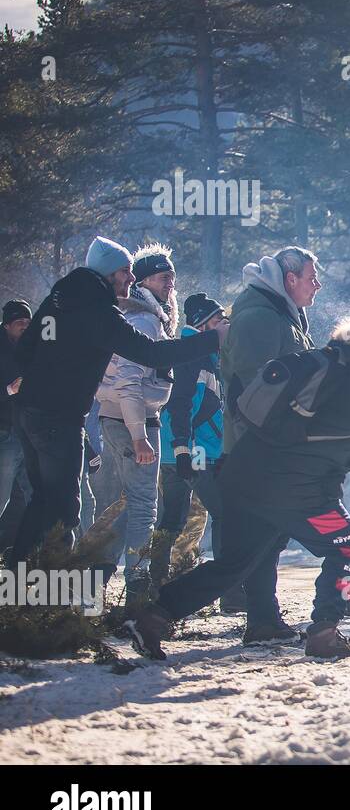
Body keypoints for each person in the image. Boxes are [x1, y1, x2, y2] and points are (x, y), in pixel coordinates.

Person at [125, 309, 350, 660]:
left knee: (234, 563)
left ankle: (153, 617)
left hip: (246, 478)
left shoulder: (319, 364)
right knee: (348, 547)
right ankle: (325, 631)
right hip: (302, 496)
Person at [4, 237, 223, 566]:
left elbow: (24, 351)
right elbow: (150, 353)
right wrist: (212, 339)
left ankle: (21, 585)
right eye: (125, 272)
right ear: (108, 273)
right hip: (58, 419)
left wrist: (40, 375)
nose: (130, 279)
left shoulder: (56, 301)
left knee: (43, 501)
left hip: (29, 415)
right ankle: (54, 596)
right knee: (65, 508)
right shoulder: (97, 311)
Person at [218, 245, 319, 642]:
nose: (317, 285)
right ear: (290, 278)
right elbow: (254, 388)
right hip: (257, 448)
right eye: (312, 278)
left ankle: (263, 616)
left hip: (274, 445)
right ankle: (258, 618)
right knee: (262, 534)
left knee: (269, 534)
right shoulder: (261, 316)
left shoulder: (282, 312)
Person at [89, 244, 184, 605]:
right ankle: (138, 596)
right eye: (163, 278)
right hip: (135, 422)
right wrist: (140, 434)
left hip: (115, 420)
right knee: (142, 507)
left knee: (119, 508)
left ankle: (90, 590)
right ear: (143, 281)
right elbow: (128, 379)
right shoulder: (144, 319)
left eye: (172, 278)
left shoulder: (140, 314)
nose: (170, 285)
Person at [155, 292, 233, 606]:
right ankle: (230, 591)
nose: (224, 327)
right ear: (202, 326)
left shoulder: (208, 357)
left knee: (172, 519)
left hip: (183, 450)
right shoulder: (193, 355)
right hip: (192, 451)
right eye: (218, 322)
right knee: (226, 515)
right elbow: (181, 403)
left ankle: (154, 586)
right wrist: (184, 449)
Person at [0, 300, 32, 535]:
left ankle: (40, 555)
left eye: (28, 323)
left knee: (38, 498)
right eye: (19, 322)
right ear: (6, 325)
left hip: (30, 433)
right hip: (4, 432)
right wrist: (8, 390)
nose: (25, 327)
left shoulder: (34, 349)